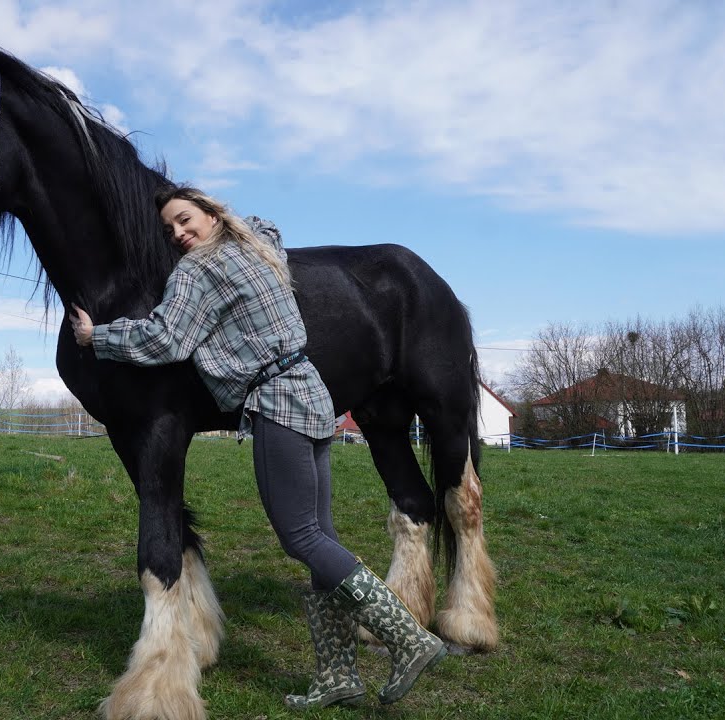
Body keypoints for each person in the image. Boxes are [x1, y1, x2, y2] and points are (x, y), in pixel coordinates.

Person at [70, 185, 446, 708]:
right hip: (314, 394)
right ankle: (337, 674)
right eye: (170, 229)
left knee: (301, 538)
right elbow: (265, 224)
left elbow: (165, 340)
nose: (179, 234)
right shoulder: (259, 244)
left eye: (185, 219)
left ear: (209, 213)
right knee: (323, 534)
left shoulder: (198, 272)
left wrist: (98, 338)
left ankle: (407, 638)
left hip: (275, 402)